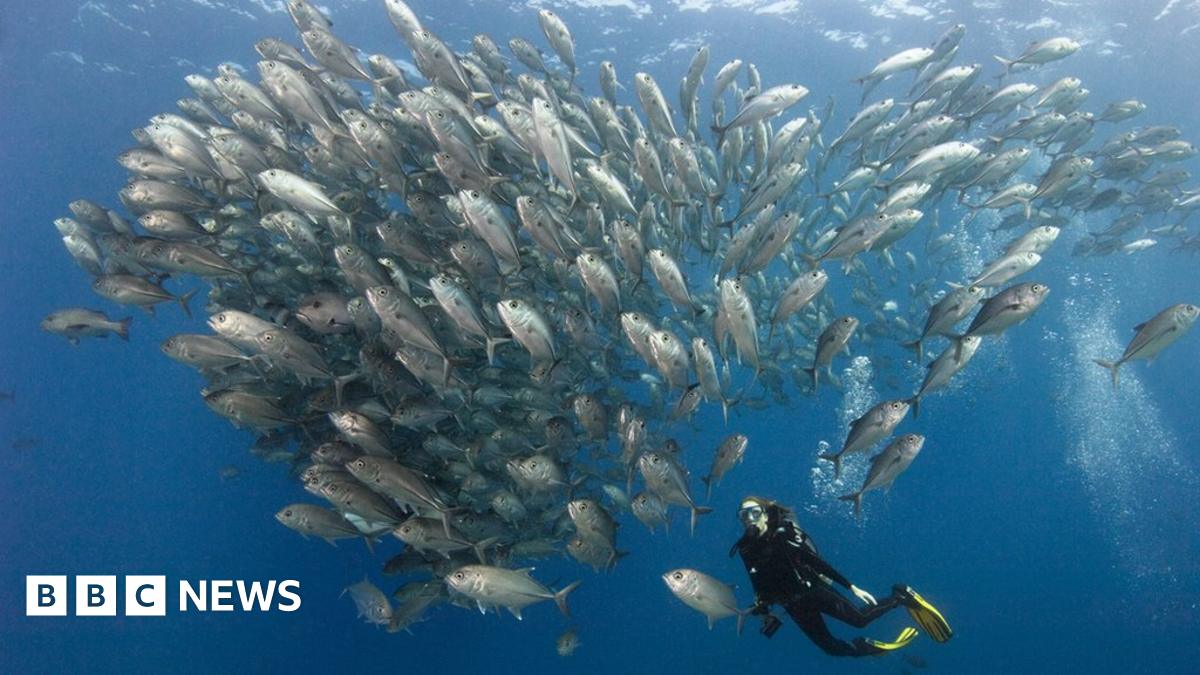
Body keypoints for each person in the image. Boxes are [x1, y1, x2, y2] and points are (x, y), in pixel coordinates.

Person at [730, 496, 952, 656]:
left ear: (766, 515)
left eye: (755, 512)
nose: (750, 518)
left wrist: (851, 586)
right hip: (792, 605)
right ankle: (863, 647)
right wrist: (764, 610)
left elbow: (815, 562)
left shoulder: (783, 535)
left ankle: (900, 596)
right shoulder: (745, 549)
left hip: (814, 590)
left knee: (860, 619)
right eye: (744, 515)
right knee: (830, 648)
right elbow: (756, 579)